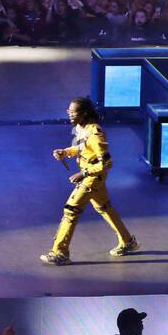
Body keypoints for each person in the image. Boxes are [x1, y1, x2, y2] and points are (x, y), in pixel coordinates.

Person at [40, 96, 138, 265]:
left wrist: (84, 173)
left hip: (92, 179)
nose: (70, 115)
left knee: (71, 210)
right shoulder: (81, 128)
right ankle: (127, 241)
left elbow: (106, 163)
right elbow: (82, 147)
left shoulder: (96, 134)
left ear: (84, 113)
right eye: (68, 112)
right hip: (92, 177)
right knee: (105, 208)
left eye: (73, 112)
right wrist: (66, 152)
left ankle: (60, 252)